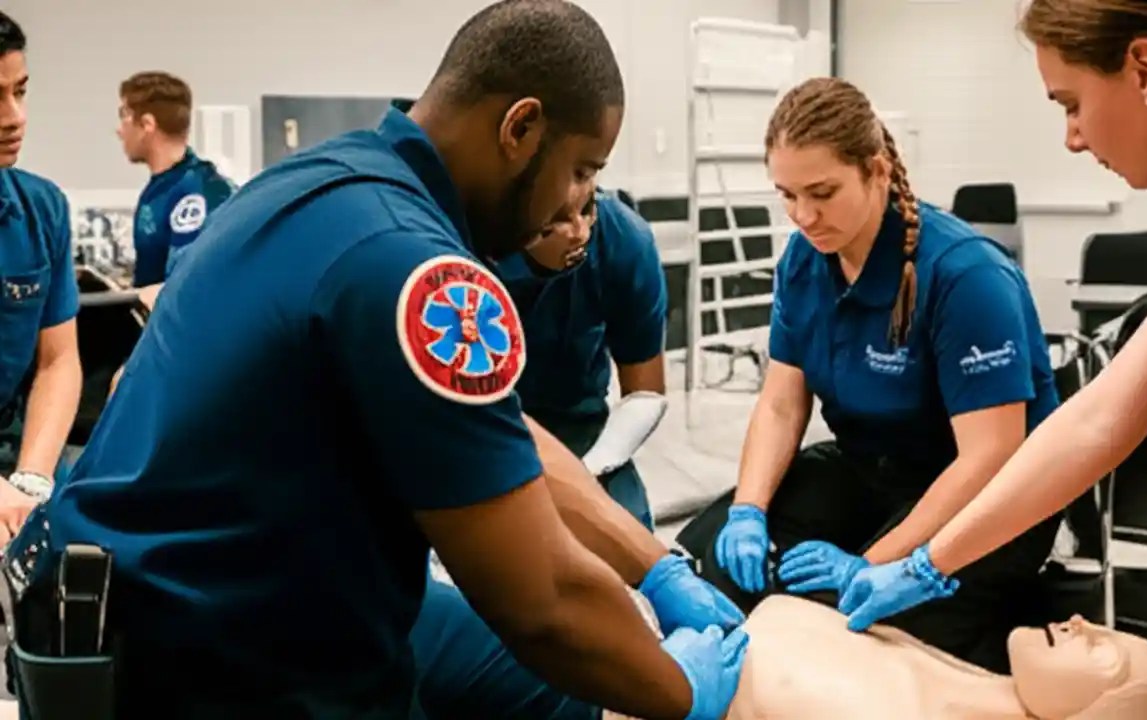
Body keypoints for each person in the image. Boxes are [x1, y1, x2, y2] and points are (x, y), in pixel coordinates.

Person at [31, 2, 748, 717]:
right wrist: (683, 691)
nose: (575, 203)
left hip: (134, 597)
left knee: (548, 686)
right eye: (580, 170)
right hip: (220, 653)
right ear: (520, 128)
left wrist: (653, 567)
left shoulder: (314, 182)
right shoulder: (424, 274)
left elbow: (496, 439)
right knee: (562, 665)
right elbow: (544, 605)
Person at [836, 3, 1147, 718]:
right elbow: (1100, 418)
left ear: (1146, 69)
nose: (1071, 139)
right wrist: (929, 561)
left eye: (1071, 105)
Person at [682, 76, 1062, 673]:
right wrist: (747, 511)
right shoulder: (806, 260)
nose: (803, 216)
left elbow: (989, 456)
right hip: (872, 468)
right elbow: (783, 404)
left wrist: (878, 563)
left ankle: (995, 619)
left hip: (986, 494)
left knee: (840, 625)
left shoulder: (966, 276)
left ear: (877, 171)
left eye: (822, 192)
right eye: (786, 195)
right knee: (701, 566)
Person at [606, 594, 1147, 720]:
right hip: (652, 653)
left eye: (1104, 652)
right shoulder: (968, 678)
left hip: (626, 683)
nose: (1082, 622)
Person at [496, 183, 667, 529]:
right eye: (553, 221)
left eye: (587, 208)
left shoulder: (623, 239)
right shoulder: (457, 243)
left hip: (580, 429)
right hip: (481, 429)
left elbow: (645, 395)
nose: (579, 232)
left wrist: (591, 470)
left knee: (628, 539)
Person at [0, 10, 82, 541]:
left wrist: (30, 482)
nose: (14, 117)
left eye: (20, 92)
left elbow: (58, 361)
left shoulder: (42, 209)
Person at [116, 71, 235, 290]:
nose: (119, 130)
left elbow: (189, 287)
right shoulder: (159, 189)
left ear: (147, 124)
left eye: (123, 115)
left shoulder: (201, 192)